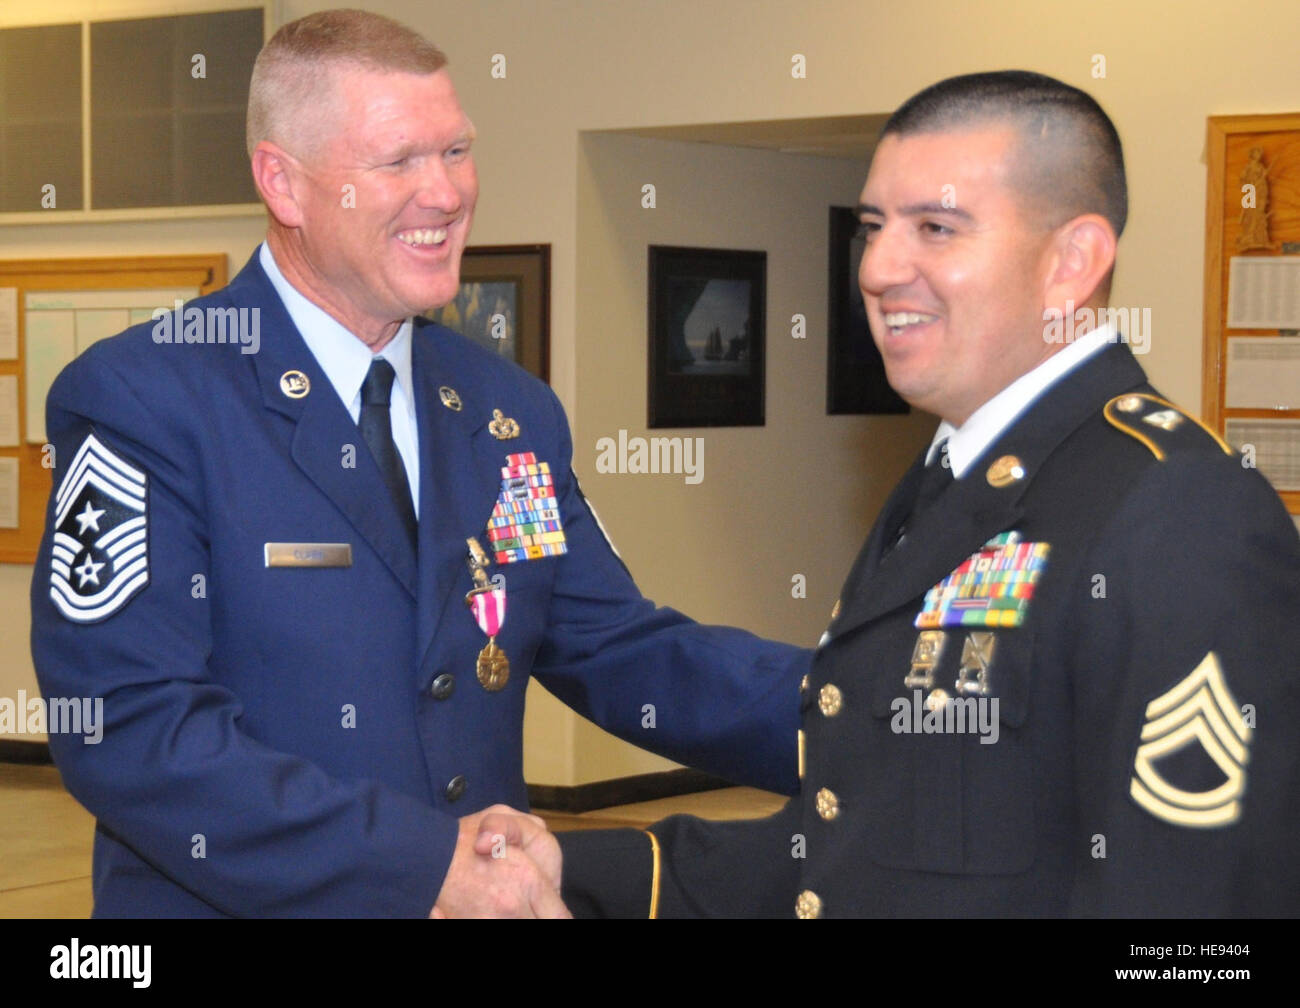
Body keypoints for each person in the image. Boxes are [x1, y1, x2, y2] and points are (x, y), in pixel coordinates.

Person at [29, 9, 808, 918]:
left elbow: (619, 648)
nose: (446, 194)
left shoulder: (508, 413)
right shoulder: (146, 401)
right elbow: (132, 728)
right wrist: (421, 866)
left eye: (457, 151)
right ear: (282, 182)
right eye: (398, 162)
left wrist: (854, 711)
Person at [554, 70, 1300, 917]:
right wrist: (562, 871)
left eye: (935, 228)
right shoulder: (960, 470)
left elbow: (1201, 917)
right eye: (873, 228)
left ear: (1073, 261)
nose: (877, 268)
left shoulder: (1178, 510)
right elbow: (868, 841)